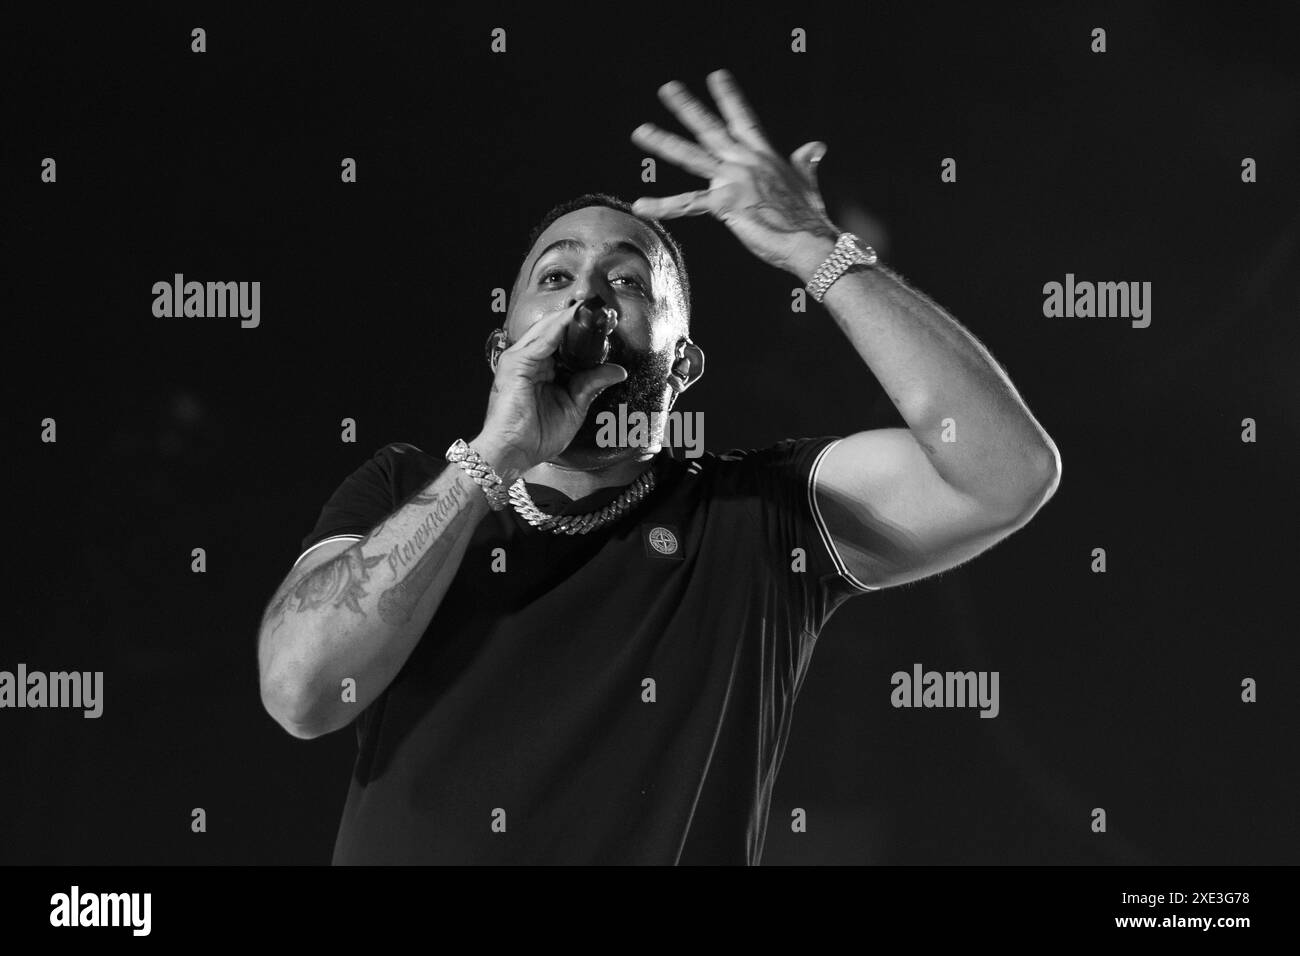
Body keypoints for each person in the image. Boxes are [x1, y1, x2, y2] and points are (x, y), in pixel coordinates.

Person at [257, 69, 1061, 864]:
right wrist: (494, 458)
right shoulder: (405, 491)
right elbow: (301, 692)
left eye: (629, 280)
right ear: (502, 348)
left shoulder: (758, 515)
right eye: (556, 275)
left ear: (684, 364)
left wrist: (818, 250)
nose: (589, 298)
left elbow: (1005, 473)